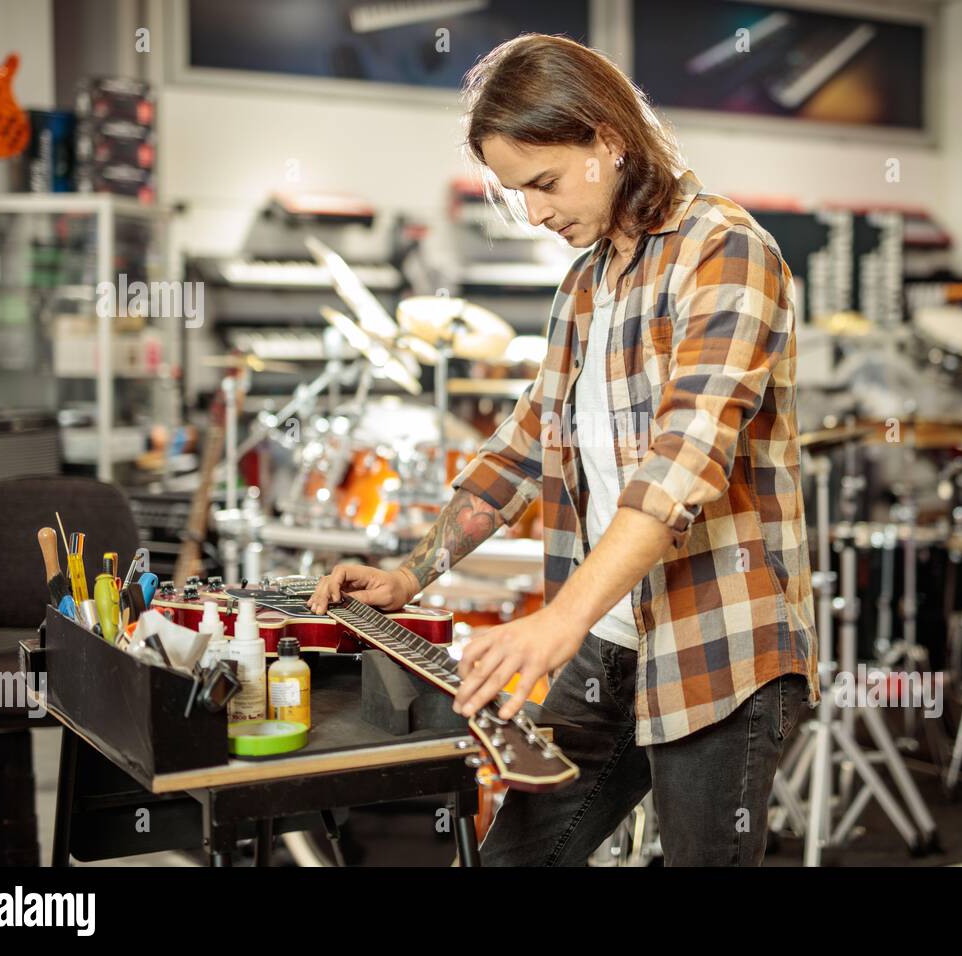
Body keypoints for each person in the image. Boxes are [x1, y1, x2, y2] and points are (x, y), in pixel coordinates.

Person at [308, 33, 819, 866]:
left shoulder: (724, 249)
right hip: (607, 641)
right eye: (518, 194)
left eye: (543, 183)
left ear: (607, 138)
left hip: (717, 649)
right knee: (514, 858)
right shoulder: (586, 284)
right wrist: (410, 573)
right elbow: (521, 447)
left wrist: (556, 622)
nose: (537, 213)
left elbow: (682, 466)